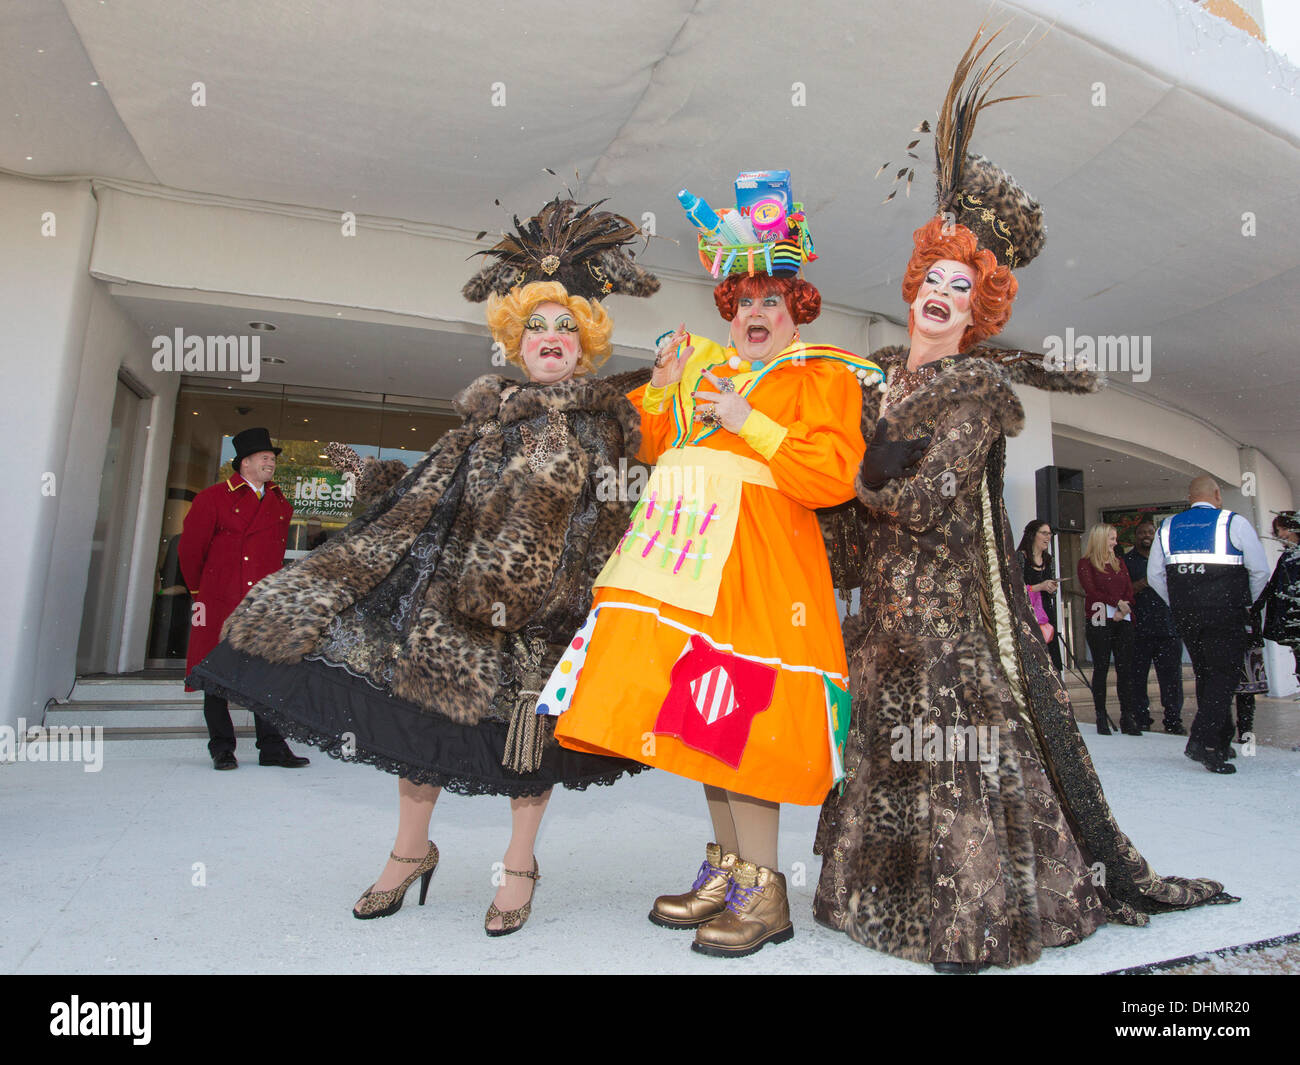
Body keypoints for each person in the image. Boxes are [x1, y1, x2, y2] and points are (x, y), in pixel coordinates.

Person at [813, 27, 1232, 971]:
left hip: (953, 619)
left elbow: (918, 501)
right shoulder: (872, 380)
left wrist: (852, 469)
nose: (940, 295)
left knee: (959, 756)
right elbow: (848, 509)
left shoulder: (978, 394)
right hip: (881, 618)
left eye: (961, 289)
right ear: (914, 283)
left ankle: (977, 917)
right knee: (889, 753)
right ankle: (880, 901)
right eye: (931, 279)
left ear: (978, 308)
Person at [188, 197, 658, 933]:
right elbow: (428, 496)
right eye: (537, 324)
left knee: (526, 744)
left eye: (567, 325)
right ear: (514, 339)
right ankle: (410, 852)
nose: (551, 337)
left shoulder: (605, 424)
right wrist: (377, 489)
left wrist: (537, 553)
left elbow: (608, 519)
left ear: (587, 339)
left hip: (545, 616)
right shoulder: (486, 414)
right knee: (419, 716)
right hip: (455, 606)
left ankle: (521, 864)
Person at [550, 179, 882, 958]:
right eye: (743, 301)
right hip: (692, 566)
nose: (755, 314)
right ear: (727, 308)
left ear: (797, 307)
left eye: (772, 299)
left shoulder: (823, 376)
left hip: (766, 572)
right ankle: (732, 870)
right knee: (706, 721)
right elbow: (663, 454)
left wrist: (749, 419)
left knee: (746, 725)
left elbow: (834, 473)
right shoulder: (706, 370)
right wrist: (662, 391)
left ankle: (766, 890)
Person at [178, 427, 308, 771]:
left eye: (272, 459)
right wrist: (200, 593)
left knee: (266, 677)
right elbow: (191, 552)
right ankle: (222, 748)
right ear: (245, 463)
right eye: (265, 458)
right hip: (219, 599)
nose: (271, 463)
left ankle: (272, 748)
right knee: (215, 676)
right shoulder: (212, 498)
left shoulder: (280, 503)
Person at [1147, 476, 1271, 774]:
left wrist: (1178, 604)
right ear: (1217, 494)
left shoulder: (1167, 527)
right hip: (1225, 613)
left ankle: (1220, 737)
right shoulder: (1233, 523)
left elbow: (1154, 576)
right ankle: (1203, 742)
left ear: (1190, 497)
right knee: (1224, 675)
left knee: (1206, 673)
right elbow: (1260, 570)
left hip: (1186, 616)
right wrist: (1247, 604)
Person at [1124, 517, 1185, 733]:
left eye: (1150, 532)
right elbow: (1123, 592)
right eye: (1142, 533)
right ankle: (1141, 717)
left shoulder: (1166, 559)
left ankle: (1173, 720)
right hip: (1139, 629)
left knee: (1171, 679)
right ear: (1136, 536)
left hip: (1169, 628)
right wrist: (1144, 582)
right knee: (1137, 677)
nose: (1146, 536)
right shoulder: (1126, 561)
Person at [1078, 524, 1139, 735]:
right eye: (1111, 539)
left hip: (1123, 618)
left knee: (1125, 668)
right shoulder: (1086, 563)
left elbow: (1129, 590)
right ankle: (1101, 715)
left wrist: (1124, 607)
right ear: (1101, 539)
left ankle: (1127, 716)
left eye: (1115, 538)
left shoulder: (1119, 562)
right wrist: (1116, 602)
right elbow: (1091, 591)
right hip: (1099, 619)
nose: (1115, 543)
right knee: (1101, 667)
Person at [1260, 511, 1300, 689]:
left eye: (1284, 528)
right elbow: (1274, 587)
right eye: (1278, 531)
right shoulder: (1287, 557)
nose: (1281, 535)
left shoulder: (1291, 557)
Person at [1016, 519, 1063, 671]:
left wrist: (1051, 587)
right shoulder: (1020, 558)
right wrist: (1039, 587)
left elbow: (1051, 590)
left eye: (1049, 534)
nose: (1047, 537)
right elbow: (1015, 589)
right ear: (1032, 535)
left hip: (1046, 614)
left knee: (1051, 659)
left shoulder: (1048, 560)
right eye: (1044, 533)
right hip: (1028, 615)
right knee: (1033, 661)